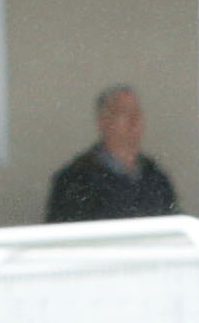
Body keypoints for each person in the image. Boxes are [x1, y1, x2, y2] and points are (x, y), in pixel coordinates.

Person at [48, 84, 181, 223]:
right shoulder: (76, 180)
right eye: (124, 112)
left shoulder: (155, 177)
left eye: (137, 111)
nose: (134, 120)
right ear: (103, 121)